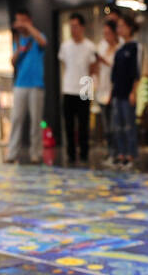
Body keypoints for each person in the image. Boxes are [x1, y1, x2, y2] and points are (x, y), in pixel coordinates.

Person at [6, 9, 47, 164]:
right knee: (16, 119)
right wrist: (18, 48)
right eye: (18, 21)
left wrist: (28, 27)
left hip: (36, 84)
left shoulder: (37, 37)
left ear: (29, 20)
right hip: (20, 84)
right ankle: (12, 153)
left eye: (22, 20)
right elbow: (13, 62)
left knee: (36, 121)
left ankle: (36, 152)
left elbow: (44, 43)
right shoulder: (17, 40)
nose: (20, 24)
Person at [59, 12, 97, 165]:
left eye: (76, 26)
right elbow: (63, 63)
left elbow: (93, 67)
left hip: (84, 86)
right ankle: (71, 154)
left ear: (82, 27)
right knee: (68, 124)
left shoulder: (90, 46)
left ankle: (84, 153)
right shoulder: (65, 46)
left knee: (83, 124)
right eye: (71, 26)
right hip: (68, 87)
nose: (73, 29)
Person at [110, 13, 141, 169]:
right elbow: (114, 74)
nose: (119, 29)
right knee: (118, 125)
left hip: (128, 92)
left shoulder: (135, 47)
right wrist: (111, 92)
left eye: (122, 26)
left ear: (129, 28)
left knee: (129, 125)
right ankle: (121, 154)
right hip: (117, 92)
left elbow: (136, 72)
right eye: (118, 26)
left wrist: (133, 92)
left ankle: (131, 154)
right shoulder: (119, 49)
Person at [93, 18, 118, 163]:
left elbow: (119, 71)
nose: (106, 36)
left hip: (114, 91)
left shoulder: (119, 48)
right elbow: (94, 68)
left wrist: (105, 62)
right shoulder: (101, 46)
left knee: (115, 126)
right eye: (104, 33)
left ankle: (117, 154)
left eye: (108, 33)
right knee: (107, 127)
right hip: (101, 90)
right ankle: (110, 153)